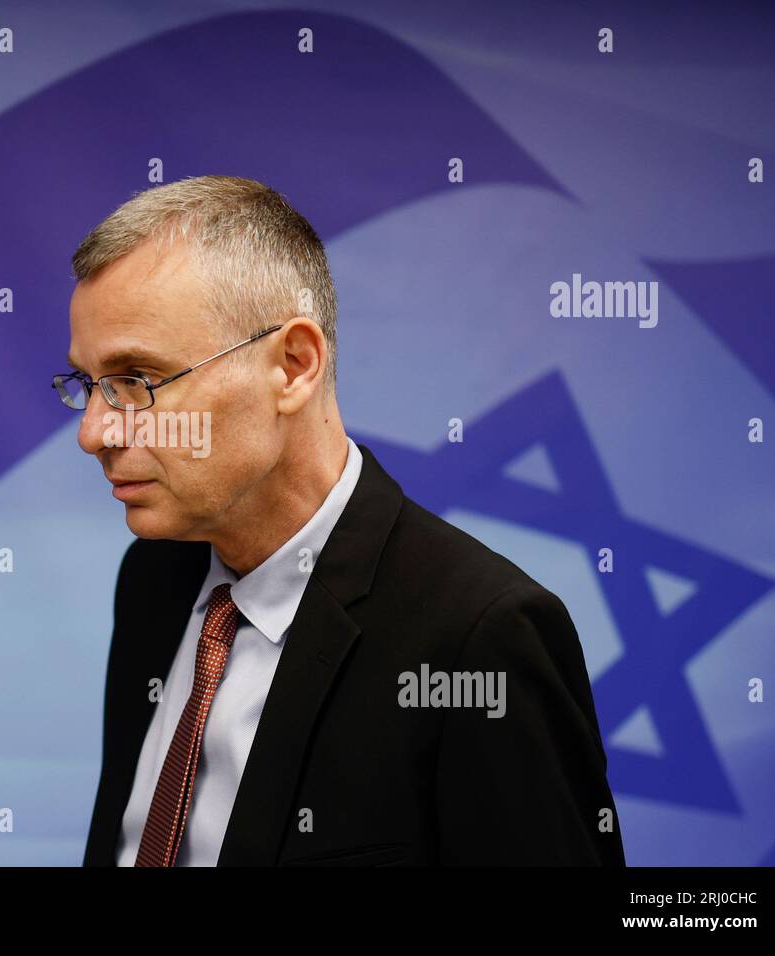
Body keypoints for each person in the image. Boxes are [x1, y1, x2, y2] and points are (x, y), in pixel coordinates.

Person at [56, 175, 625, 866]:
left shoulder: (480, 637)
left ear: (293, 366)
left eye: (136, 380)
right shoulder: (155, 578)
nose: (93, 432)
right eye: (88, 385)